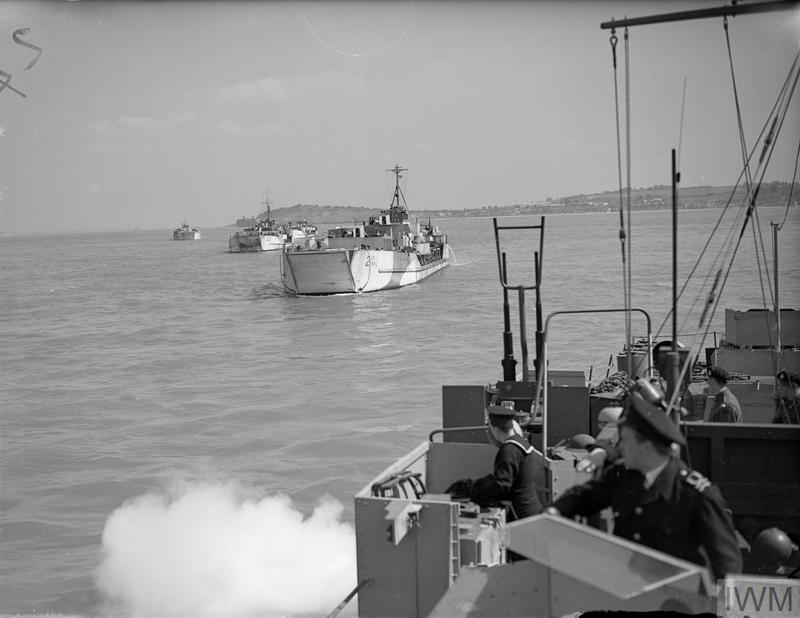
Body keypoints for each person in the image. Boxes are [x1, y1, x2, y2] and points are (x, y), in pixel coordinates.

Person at [547, 387, 743, 580]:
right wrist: (554, 512)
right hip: (627, 592)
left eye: (625, 440)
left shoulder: (696, 494)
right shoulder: (623, 476)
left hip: (674, 600)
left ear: (646, 446)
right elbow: (584, 496)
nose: (620, 446)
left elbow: (727, 563)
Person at [447, 406, 543, 522]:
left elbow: (502, 484)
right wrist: (479, 482)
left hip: (520, 513)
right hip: (530, 507)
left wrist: (475, 489)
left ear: (495, 430)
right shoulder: (521, 443)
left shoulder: (509, 450)